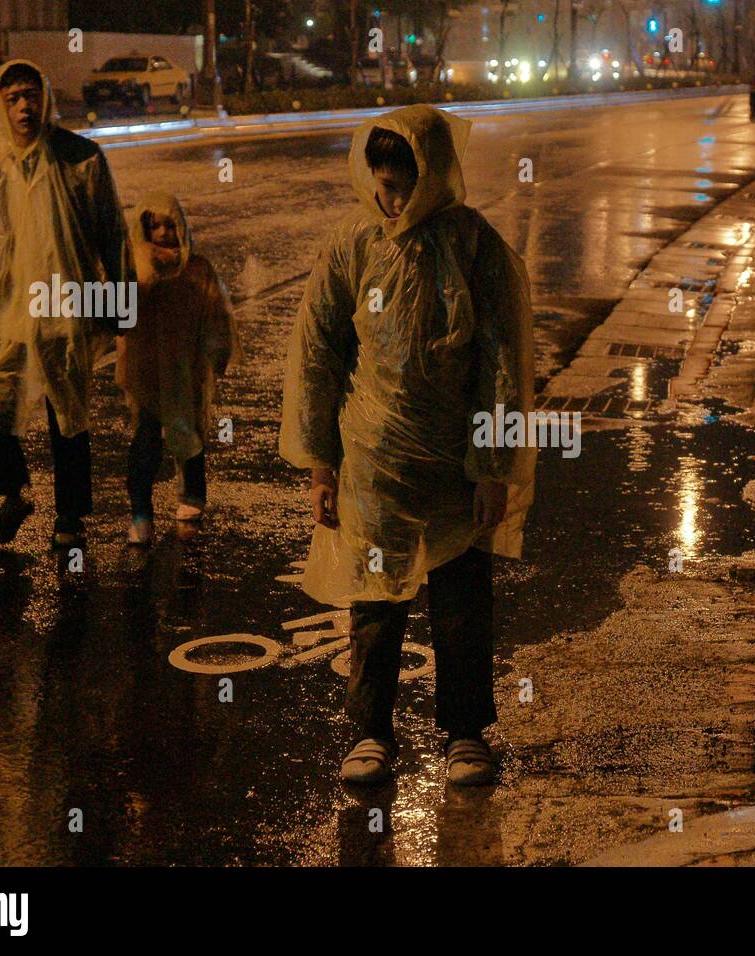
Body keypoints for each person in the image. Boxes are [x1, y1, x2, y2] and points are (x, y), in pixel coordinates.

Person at [280, 105, 537, 787]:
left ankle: (464, 733)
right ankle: (369, 733)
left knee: (460, 601)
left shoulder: (474, 246)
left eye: (403, 186)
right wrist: (321, 463)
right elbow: (318, 355)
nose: (391, 200)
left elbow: (502, 363)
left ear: (433, 177)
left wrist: (492, 465)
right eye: (382, 186)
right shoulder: (352, 246)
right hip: (374, 462)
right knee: (373, 602)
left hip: (456, 461)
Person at [0, 59, 129, 550]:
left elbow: (112, 234)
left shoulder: (81, 159)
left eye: (31, 95)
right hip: (1, 312)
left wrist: (122, 307)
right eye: (14, 98)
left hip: (64, 307)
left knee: (68, 413)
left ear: (45, 99)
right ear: (0, 103)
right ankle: (14, 493)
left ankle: (70, 515)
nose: (24, 107)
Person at [117, 193, 240, 546]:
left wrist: (217, 353)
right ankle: (140, 513)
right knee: (145, 441)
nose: (162, 233)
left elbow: (216, 314)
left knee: (188, 433)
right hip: (146, 373)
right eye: (153, 226)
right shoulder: (135, 268)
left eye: (169, 225)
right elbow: (116, 312)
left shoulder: (196, 269)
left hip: (186, 370)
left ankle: (191, 496)